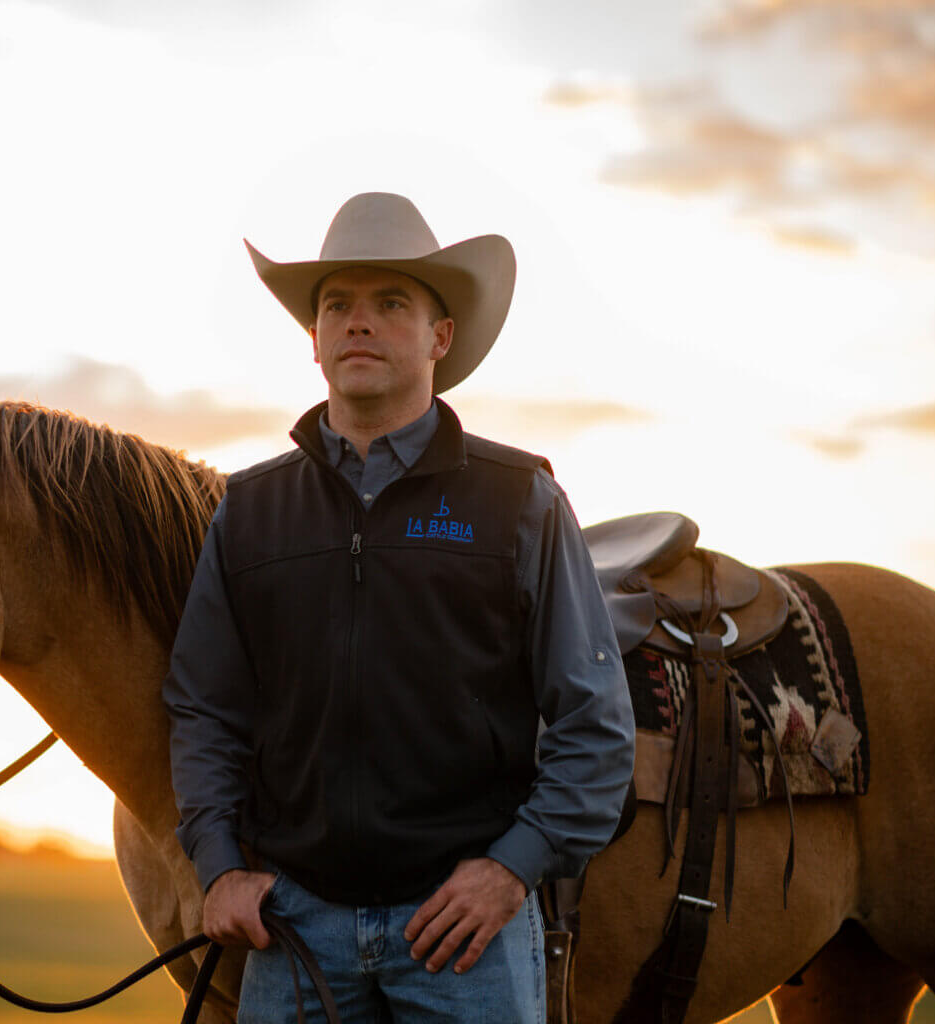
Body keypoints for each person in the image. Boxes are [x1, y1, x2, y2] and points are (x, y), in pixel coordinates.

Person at [163, 192, 635, 1023]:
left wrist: (512, 868)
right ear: (312, 341)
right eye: (336, 305)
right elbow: (204, 707)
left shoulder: (518, 500)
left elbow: (594, 723)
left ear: (439, 337)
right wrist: (219, 864)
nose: (358, 324)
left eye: (390, 304)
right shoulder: (251, 511)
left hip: (462, 935)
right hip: (296, 928)